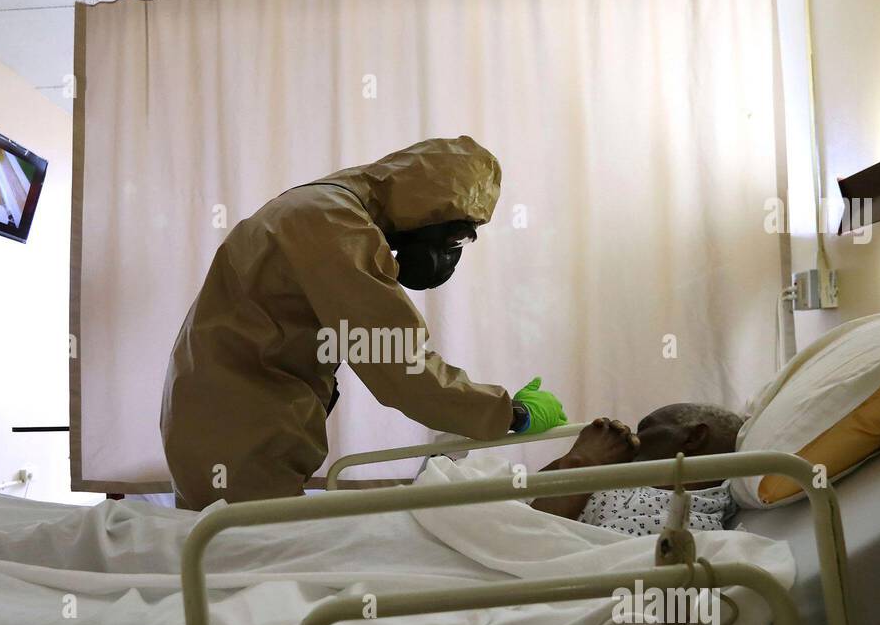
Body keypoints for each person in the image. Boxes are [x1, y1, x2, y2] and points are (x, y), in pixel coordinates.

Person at [161, 136, 566, 510]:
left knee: (223, 556)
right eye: (452, 239)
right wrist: (510, 414)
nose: (448, 256)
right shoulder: (335, 225)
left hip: (218, 422)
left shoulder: (317, 205)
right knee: (254, 568)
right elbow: (400, 367)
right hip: (238, 432)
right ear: (425, 206)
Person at [532, 403, 746, 535]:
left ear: (693, 438)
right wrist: (580, 458)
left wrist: (581, 462)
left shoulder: (678, 523)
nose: (632, 439)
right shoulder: (630, 488)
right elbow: (528, 497)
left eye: (644, 429)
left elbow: (532, 547)